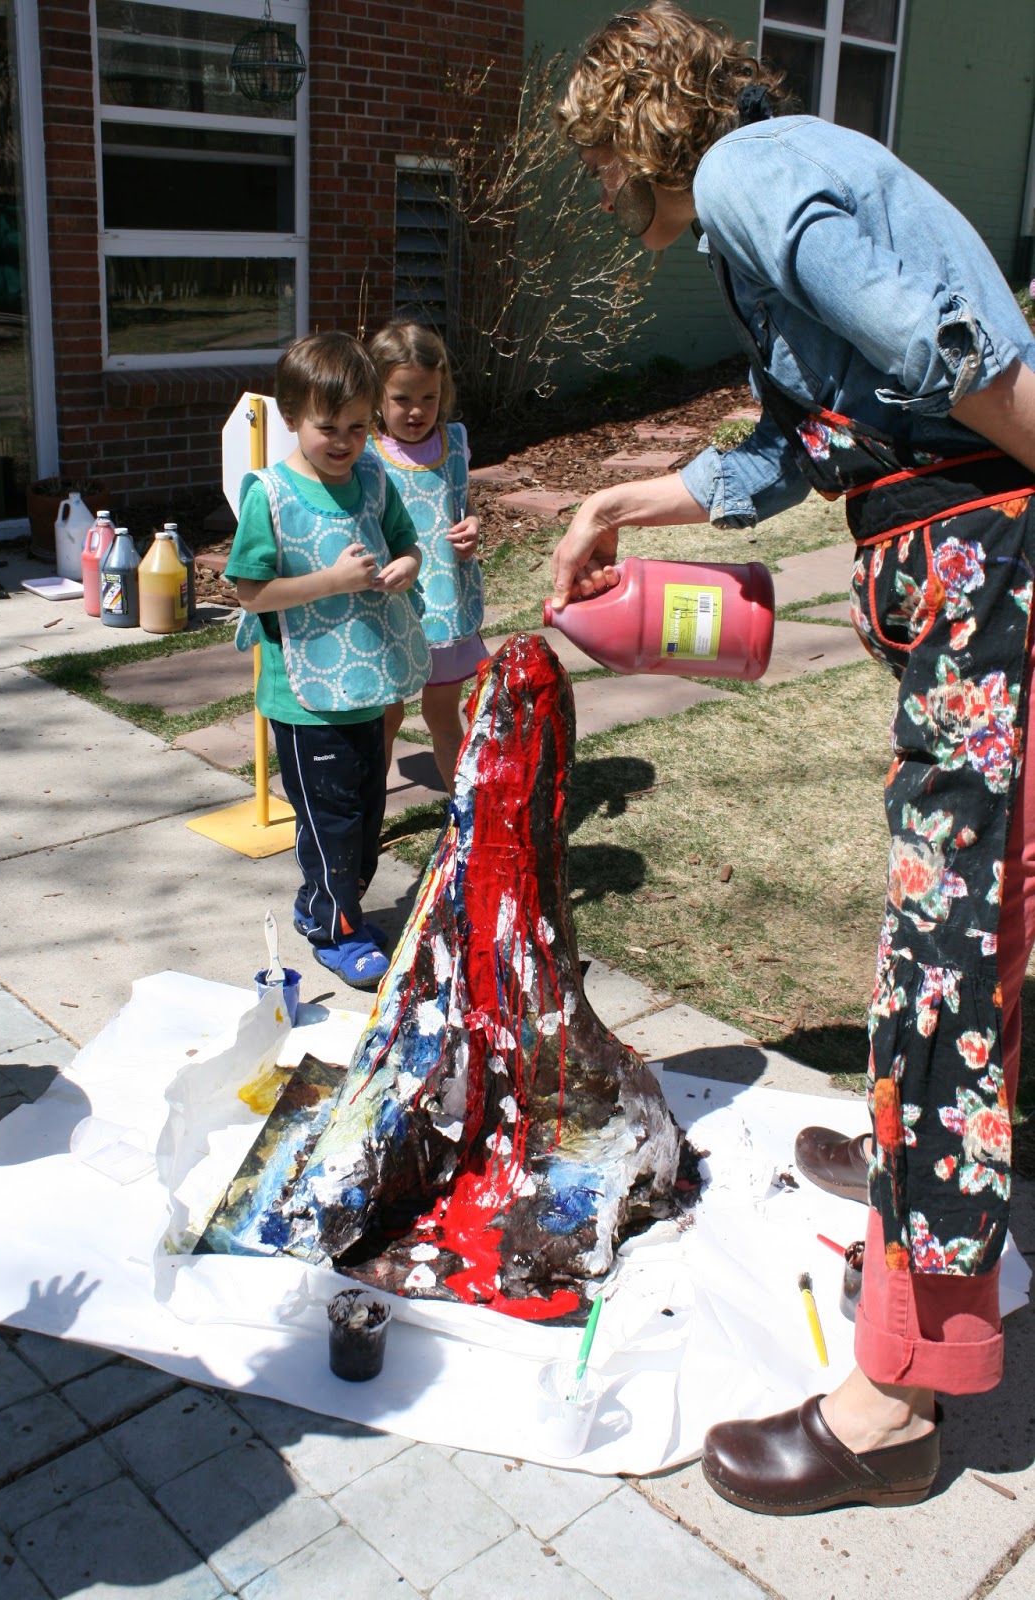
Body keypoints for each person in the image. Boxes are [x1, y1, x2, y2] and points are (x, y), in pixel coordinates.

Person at [550, 3, 1035, 1513]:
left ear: (637, 139)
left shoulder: (747, 170)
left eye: (600, 171)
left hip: (988, 577)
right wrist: (622, 500)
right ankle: (926, 1197)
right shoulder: (770, 185)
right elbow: (792, 447)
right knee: (974, 937)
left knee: (944, 970)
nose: (611, 208)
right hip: (963, 581)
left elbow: (934, 344)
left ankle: (897, 1397)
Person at [224, 332, 428, 991]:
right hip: (305, 697)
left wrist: (405, 565)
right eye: (325, 427)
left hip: (365, 684)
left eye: (356, 426)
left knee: (366, 819)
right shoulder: (271, 495)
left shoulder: (372, 476)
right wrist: (333, 581)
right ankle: (335, 930)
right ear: (289, 417)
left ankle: (332, 908)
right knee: (332, 825)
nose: (343, 442)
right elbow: (250, 592)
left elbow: (405, 543)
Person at [365, 321, 487, 791]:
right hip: (391, 606)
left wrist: (473, 523)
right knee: (386, 718)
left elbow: (463, 500)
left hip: (445, 603)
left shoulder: (454, 442)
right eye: (401, 399)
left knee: (443, 717)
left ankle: (463, 815)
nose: (417, 411)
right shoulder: (366, 452)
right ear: (376, 395)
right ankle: (368, 817)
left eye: (428, 398)